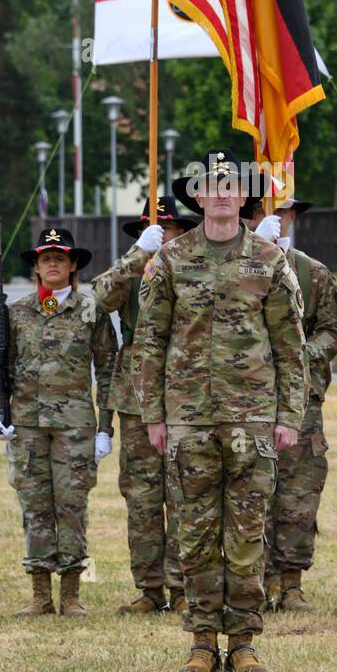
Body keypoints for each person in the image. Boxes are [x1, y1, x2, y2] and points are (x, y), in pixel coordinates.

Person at [136, 149, 308, 672]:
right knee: (194, 530)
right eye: (212, 185)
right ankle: (203, 640)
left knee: (247, 529)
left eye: (232, 185)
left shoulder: (269, 259)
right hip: (188, 416)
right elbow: (151, 339)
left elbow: (289, 343)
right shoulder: (171, 258)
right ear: (197, 195)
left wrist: (289, 414)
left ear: (244, 195)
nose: (222, 193)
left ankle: (244, 639)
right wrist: (154, 414)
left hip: (252, 415)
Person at [0, 225, 151, 617]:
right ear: (37, 267)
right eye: (46, 258)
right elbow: (2, 368)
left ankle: (72, 594)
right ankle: (41, 595)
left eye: (60, 257)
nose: (53, 264)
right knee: (35, 506)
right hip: (26, 424)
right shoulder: (17, 312)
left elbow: (107, 369)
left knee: (72, 506)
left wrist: (105, 428)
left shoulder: (91, 310)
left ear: (73, 264)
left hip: (75, 425)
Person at [243, 193, 337, 611]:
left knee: (299, 496)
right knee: (253, 493)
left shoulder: (312, 272)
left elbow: (333, 329)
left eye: (285, 213)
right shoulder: (239, 268)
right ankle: (258, 579)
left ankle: (291, 581)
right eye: (268, 212)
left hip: (300, 403)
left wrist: (300, 352)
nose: (279, 219)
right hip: (250, 401)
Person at [112, 195, 199, 617]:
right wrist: (137, 254)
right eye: (155, 229)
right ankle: (149, 589)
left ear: (182, 233)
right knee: (143, 499)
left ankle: (182, 586)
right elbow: (98, 300)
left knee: (184, 496)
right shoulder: (131, 269)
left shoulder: (192, 266)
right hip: (137, 397)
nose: (163, 236)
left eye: (170, 229)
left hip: (185, 394)